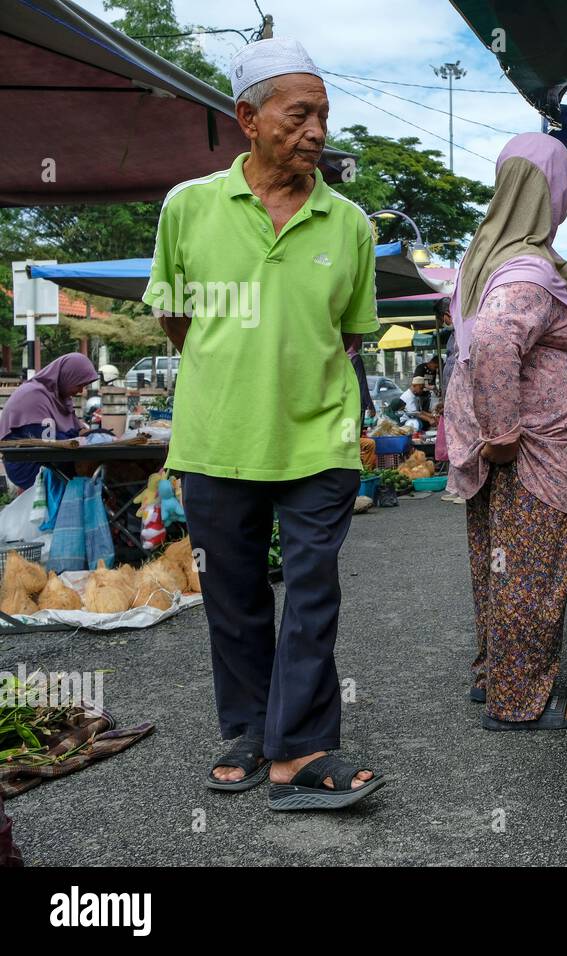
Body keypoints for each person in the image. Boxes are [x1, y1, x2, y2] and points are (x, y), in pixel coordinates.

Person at [144, 37, 383, 807]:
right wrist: (234, 373)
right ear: (247, 118)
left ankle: (301, 752)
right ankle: (251, 731)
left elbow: (347, 335)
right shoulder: (188, 207)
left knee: (314, 590)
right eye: (299, 114)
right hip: (217, 438)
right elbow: (176, 321)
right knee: (234, 593)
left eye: (323, 114)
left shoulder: (350, 224)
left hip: (320, 439)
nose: (316, 130)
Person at [444, 132, 567, 731]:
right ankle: (521, 700)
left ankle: (496, 674)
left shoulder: (488, 258)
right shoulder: (530, 268)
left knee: (498, 562)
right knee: (531, 569)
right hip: (527, 449)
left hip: (502, 443)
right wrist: (504, 431)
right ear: (552, 193)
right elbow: (493, 341)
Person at [0, 354, 97, 490]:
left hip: (53, 458)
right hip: (30, 465)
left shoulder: (60, 397)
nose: (81, 391)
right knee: (99, 473)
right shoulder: (34, 396)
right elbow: (47, 440)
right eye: (79, 385)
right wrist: (80, 436)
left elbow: (78, 430)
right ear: (67, 376)